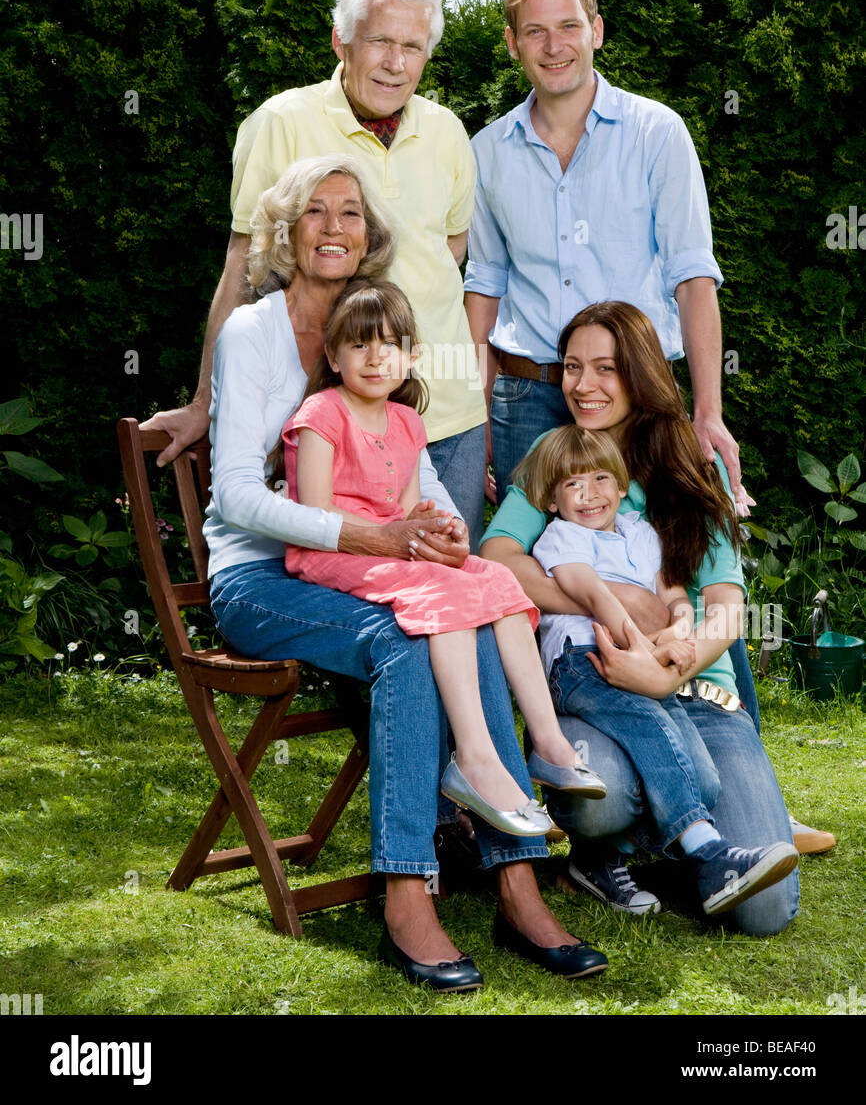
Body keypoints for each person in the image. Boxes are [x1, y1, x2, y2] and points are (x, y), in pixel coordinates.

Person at [203, 151, 609, 990]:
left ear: (369, 235)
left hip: (363, 564)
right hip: (259, 579)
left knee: (457, 603)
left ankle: (517, 881)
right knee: (411, 638)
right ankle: (407, 892)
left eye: (351, 212)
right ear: (286, 229)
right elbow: (239, 495)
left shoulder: (368, 336)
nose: (335, 227)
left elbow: (407, 466)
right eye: (315, 211)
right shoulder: (254, 331)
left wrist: (435, 529)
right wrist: (369, 535)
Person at [144, 0, 488, 547]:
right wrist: (205, 402)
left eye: (412, 47)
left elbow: (450, 252)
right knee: (364, 584)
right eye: (379, 41)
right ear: (341, 41)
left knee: (452, 588)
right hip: (342, 412)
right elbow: (242, 267)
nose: (394, 63)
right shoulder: (282, 122)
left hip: (449, 417)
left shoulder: (448, 132)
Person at [481, 301, 800, 935]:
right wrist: (619, 602)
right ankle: (637, 845)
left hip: (701, 693)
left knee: (765, 912)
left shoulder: (688, 466)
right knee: (601, 799)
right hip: (601, 677)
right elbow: (498, 558)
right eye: (572, 367)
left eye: (605, 368)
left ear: (641, 376)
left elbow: (727, 611)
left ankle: (681, 849)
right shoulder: (557, 455)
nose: (583, 384)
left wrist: (671, 666)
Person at [279, 279, 606, 834]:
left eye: (389, 345)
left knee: (498, 580)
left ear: (411, 356)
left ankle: (548, 740)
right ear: (333, 356)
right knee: (449, 594)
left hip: (393, 552)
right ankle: (474, 758)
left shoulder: (407, 422)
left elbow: (411, 509)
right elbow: (315, 516)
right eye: (359, 345)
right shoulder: (322, 414)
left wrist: (440, 534)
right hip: (333, 550)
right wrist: (405, 538)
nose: (375, 357)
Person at [463, 0, 747, 517]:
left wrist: (708, 410)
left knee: (648, 558)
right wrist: (477, 415)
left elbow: (692, 277)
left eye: (568, 26)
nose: (553, 46)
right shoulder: (487, 152)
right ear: (512, 43)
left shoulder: (657, 133)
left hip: (637, 392)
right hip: (526, 397)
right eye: (534, 31)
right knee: (533, 566)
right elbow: (485, 287)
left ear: (596, 30)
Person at [514, 423, 798, 918]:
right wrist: (639, 638)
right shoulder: (560, 537)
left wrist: (680, 634)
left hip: (649, 662)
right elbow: (592, 594)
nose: (588, 494)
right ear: (553, 501)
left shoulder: (641, 532)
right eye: (572, 485)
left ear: (623, 487)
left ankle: (610, 858)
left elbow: (670, 592)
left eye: (601, 479)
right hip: (584, 662)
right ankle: (709, 854)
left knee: (701, 774)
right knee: (651, 731)